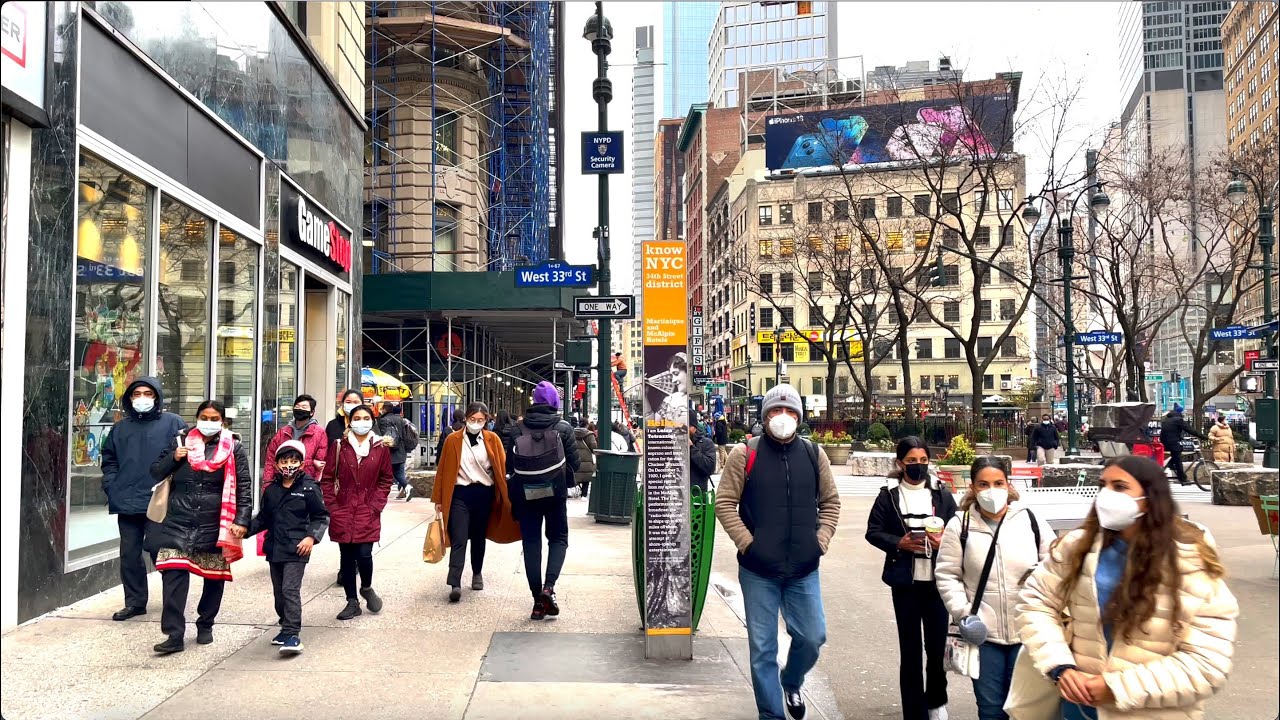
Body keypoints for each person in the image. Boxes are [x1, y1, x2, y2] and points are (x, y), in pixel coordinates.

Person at [1016, 455, 1239, 719]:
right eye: (1103, 486)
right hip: (1077, 709)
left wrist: (1116, 688)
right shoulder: (1077, 547)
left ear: (1150, 497)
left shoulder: (1190, 564)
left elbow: (1206, 664)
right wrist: (1060, 666)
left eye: (1120, 487)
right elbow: (1035, 603)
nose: (1106, 495)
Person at [714, 384, 841, 720]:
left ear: (799, 417)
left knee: (813, 637)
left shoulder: (815, 454)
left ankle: (792, 680)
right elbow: (725, 502)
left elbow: (830, 502)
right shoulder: (745, 454)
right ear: (764, 415)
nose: (782, 417)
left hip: (804, 568)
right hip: (758, 570)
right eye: (775, 411)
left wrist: (821, 540)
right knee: (763, 649)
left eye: (789, 411)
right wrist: (748, 543)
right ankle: (771, 715)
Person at [935, 457, 1053, 720]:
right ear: (973, 488)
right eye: (984, 484)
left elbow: (1055, 566)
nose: (992, 490)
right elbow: (946, 575)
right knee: (991, 709)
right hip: (983, 635)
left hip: (1028, 632)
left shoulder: (1030, 520)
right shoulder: (960, 526)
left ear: (1008, 485)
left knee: (1028, 708)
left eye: (998, 483)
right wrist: (963, 613)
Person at [146, 401, 251, 654]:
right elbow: (154, 472)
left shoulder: (234, 447)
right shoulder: (181, 441)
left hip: (215, 522)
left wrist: (242, 520)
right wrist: (174, 458)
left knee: (213, 578)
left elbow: (244, 487)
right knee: (173, 576)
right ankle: (173, 634)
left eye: (214, 418)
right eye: (204, 416)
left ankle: (206, 624)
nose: (209, 421)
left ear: (222, 421)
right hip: (178, 520)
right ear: (196, 418)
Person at [865, 436, 959, 720]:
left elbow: (957, 528)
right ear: (900, 464)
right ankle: (914, 712)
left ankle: (936, 700)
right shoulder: (889, 495)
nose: (918, 466)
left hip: (937, 583)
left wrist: (945, 540)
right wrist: (899, 542)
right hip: (905, 582)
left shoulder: (941, 493)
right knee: (910, 650)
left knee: (936, 646)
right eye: (911, 462)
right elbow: (873, 531)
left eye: (923, 461)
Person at [100, 376, 186, 622]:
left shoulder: (173, 423)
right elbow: (109, 460)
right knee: (129, 554)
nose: (142, 399)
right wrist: (111, 485)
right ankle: (135, 602)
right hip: (127, 501)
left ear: (157, 397)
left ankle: (173, 603)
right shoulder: (120, 428)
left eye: (147, 393)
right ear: (129, 398)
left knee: (163, 552)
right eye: (136, 394)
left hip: (161, 499)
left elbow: (185, 456)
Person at [503, 381, 580, 620]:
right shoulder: (564, 428)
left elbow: (509, 465)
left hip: (526, 495)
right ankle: (549, 588)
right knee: (558, 539)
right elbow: (575, 464)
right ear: (555, 402)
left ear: (534, 401)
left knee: (531, 544)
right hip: (555, 494)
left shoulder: (517, 429)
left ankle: (537, 600)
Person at [431, 402, 521, 602]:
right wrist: (438, 498)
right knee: (459, 536)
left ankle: (477, 573)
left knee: (479, 536)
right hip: (459, 493)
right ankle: (454, 581)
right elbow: (443, 469)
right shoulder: (453, 440)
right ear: (466, 419)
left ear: (487, 420)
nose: (476, 423)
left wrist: (507, 494)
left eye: (480, 420)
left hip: (484, 493)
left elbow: (501, 466)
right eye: (473, 420)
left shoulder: (492, 439)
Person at [246, 440, 329, 655]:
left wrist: (311, 537)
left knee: (290, 590)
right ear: (276, 464)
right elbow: (264, 518)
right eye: (284, 461)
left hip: (297, 549)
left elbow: (321, 516)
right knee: (279, 592)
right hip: (275, 548)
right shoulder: (272, 490)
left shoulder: (309, 488)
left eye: (294, 461)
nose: (289, 465)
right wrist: (244, 530)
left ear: (302, 464)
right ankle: (284, 624)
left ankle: (293, 634)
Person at [320, 404, 394, 621]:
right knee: (347, 556)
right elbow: (327, 478)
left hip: (367, 509)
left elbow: (385, 479)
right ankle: (351, 601)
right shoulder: (338, 446)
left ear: (372, 421)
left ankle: (367, 587)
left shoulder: (381, 448)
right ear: (350, 421)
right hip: (343, 508)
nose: (361, 421)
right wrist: (333, 506)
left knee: (364, 553)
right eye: (357, 418)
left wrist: (375, 505)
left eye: (366, 417)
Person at [263, 394, 328, 489]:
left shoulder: (319, 433)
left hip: (305, 485)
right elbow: (270, 459)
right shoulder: (283, 432)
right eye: (297, 407)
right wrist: (267, 485)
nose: (299, 409)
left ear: (312, 412)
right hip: (281, 484)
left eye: (304, 407)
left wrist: (314, 487)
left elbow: (320, 465)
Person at [376, 398, 416, 500]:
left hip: (390, 451)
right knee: (399, 472)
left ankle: (406, 487)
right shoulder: (400, 419)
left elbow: (384, 437)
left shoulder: (383, 420)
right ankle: (404, 490)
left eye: (382, 408)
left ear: (385, 409)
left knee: (388, 473)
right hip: (401, 450)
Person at [1160, 404, 1207, 486]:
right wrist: (1202, 437)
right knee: (1178, 459)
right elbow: (1190, 430)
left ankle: (1171, 464)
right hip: (1172, 442)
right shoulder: (1178, 420)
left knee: (1179, 451)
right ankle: (1183, 479)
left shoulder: (1167, 419)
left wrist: (1180, 437)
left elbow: (1172, 431)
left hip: (1165, 442)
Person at [572, 421, 598, 499]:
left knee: (576, 475)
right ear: (587, 425)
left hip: (575, 457)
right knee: (586, 478)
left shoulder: (572, 433)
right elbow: (594, 447)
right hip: (587, 459)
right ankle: (584, 495)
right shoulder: (589, 435)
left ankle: (575, 491)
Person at [690, 423, 717, 492]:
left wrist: (692, 448)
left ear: (694, 428)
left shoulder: (706, 443)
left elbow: (710, 467)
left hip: (697, 494)